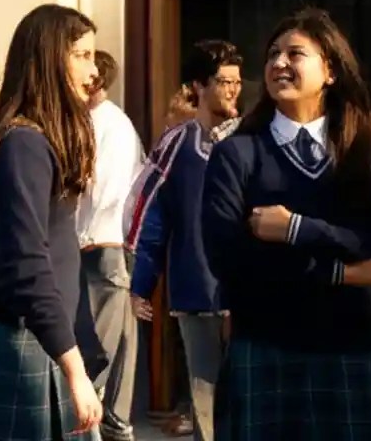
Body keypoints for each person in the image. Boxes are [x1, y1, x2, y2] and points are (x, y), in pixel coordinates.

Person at [202, 8, 371, 440]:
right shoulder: (237, 155)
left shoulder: (367, 155)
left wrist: (298, 230)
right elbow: (229, 258)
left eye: (296, 53)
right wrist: (343, 271)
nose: (279, 63)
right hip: (262, 343)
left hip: (345, 345)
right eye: (273, 54)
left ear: (330, 69)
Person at [0, 3, 103, 441]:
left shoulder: (30, 139)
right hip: (23, 345)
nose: (94, 72)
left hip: (38, 341)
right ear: (49, 58)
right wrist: (73, 368)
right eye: (82, 55)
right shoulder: (23, 145)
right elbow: (26, 267)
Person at [125, 39, 244, 441]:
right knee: (205, 404)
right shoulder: (176, 144)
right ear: (199, 85)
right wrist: (140, 282)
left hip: (247, 292)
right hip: (195, 288)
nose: (232, 90)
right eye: (223, 81)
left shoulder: (251, 140)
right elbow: (152, 217)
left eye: (237, 82)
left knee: (249, 397)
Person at [76, 51, 146, 441]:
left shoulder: (107, 124)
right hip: (110, 243)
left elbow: (99, 188)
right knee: (119, 338)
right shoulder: (113, 123)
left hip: (101, 243)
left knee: (99, 345)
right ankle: (115, 421)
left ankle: (93, 417)